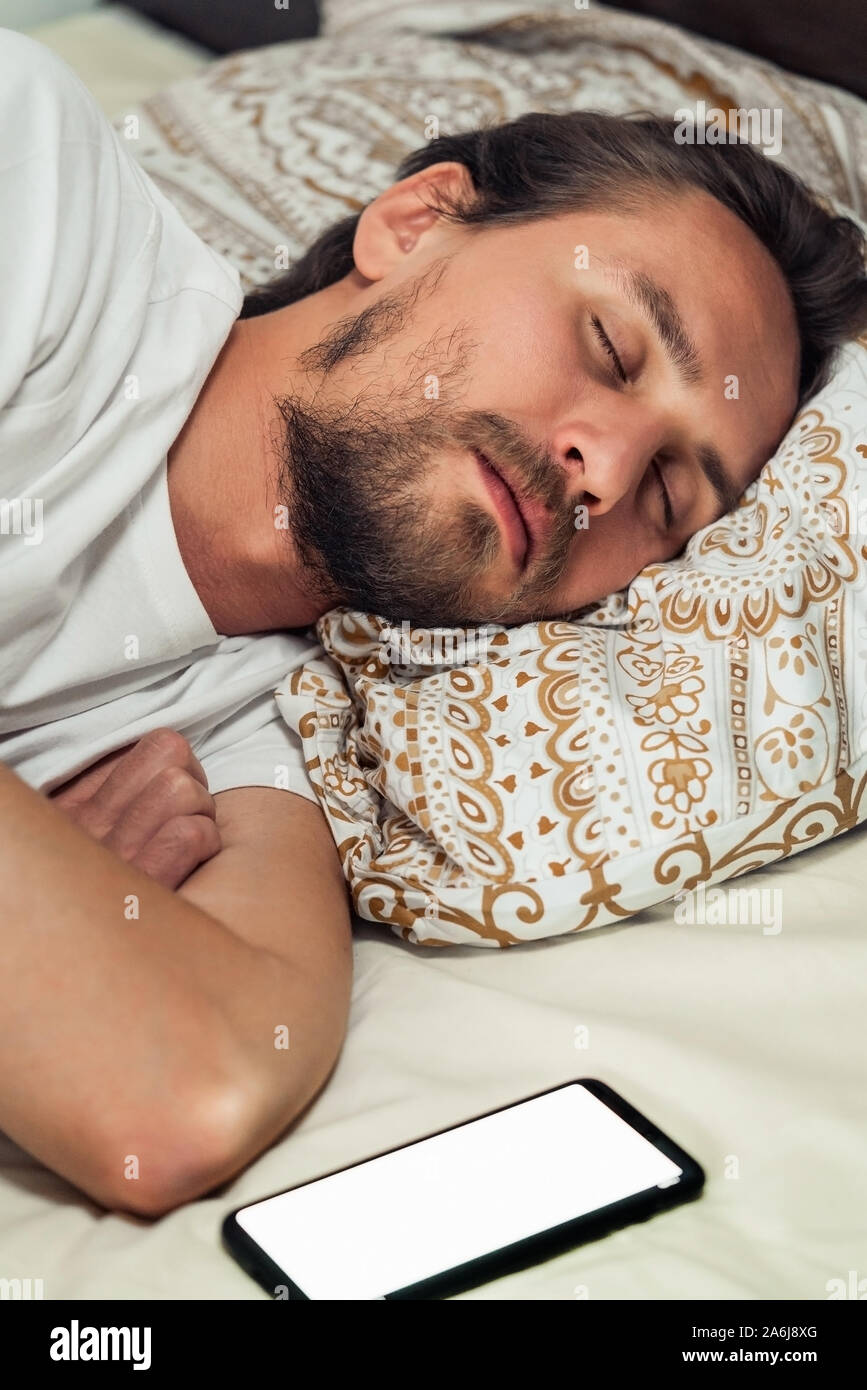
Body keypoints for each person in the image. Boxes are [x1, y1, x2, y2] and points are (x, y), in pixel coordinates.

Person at [1, 29, 865, 1216]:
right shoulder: (38, 195)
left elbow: (176, 1105)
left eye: (668, 496)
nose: (602, 469)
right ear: (416, 224)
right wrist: (47, 888)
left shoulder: (253, 754)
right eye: (610, 343)